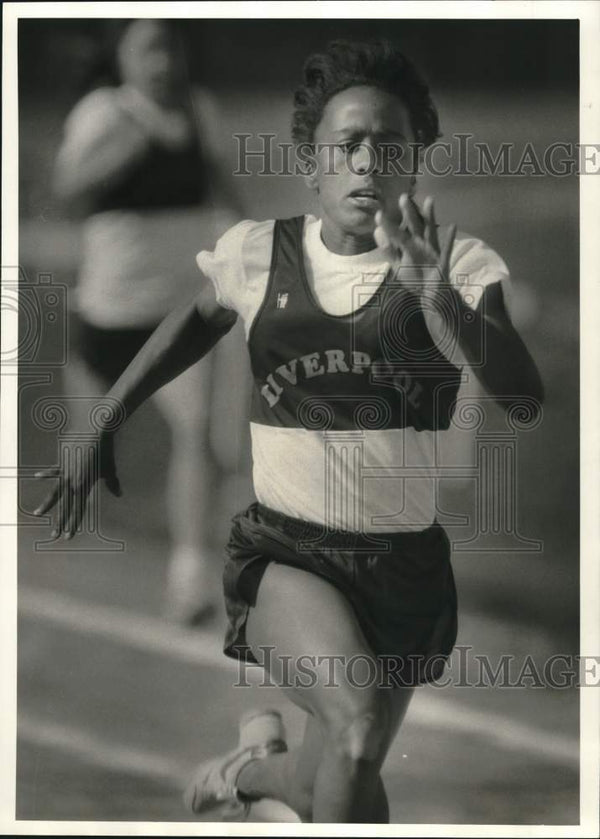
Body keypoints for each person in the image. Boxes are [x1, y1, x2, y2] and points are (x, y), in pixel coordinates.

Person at [35, 40, 544, 823]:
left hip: (405, 568)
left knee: (333, 779)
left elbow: (524, 397)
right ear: (311, 163)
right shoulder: (259, 255)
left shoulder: (461, 265)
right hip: (288, 555)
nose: (368, 162)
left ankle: (250, 769)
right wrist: (104, 418)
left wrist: (439, 299)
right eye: (348, 145)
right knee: (356, 729)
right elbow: (189, 323)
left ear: (416, 161)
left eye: (391, 145)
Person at [52, 19, 243, 623]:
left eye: (171, 47)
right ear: (123, 58)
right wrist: (121, 153)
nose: (163, 62)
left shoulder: (200, 110)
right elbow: (64, 192)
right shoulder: (104, 114)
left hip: (178, 316)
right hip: (109, 314)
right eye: (148, 50)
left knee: (196, 433)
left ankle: (189, 578)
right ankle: (51, 553)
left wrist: (253, 247)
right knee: (86, 448)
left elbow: (227, 194)